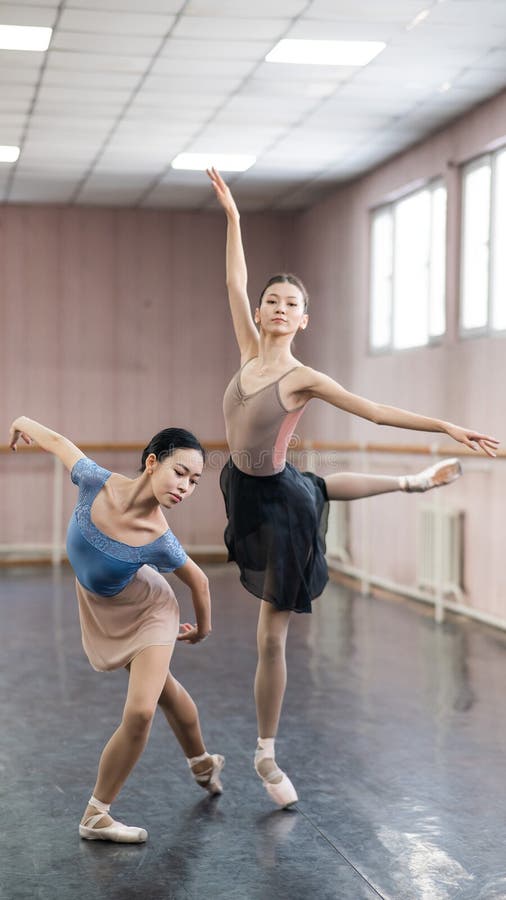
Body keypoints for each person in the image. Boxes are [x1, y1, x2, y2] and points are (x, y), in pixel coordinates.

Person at [207, 166, 499, 809]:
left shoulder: (304, 376)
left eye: (291, 304)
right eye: (271, 300)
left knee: (270, 633)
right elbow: (232, 277)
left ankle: (265, 752)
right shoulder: (246, 350)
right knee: (316, 485)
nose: (278, 308)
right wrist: (233, 218)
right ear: (261, 310)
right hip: (247, 487)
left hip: (278, 504)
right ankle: (410, 482)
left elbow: (376, 411)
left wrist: (445, 425)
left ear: (303, 320)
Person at [8, 416, 224, 843]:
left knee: (141, 710)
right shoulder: (94, 481)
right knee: (165, 690)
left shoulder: (159, 537)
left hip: (150, 610)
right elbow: (57, 439)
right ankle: (202, 762)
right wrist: (20, 422)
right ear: (151, 463)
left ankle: (96, 814)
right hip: (104, 609)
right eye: (179, 472)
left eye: (195, 481)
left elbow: (198, 580)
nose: (185, 486)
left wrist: (202, 630)